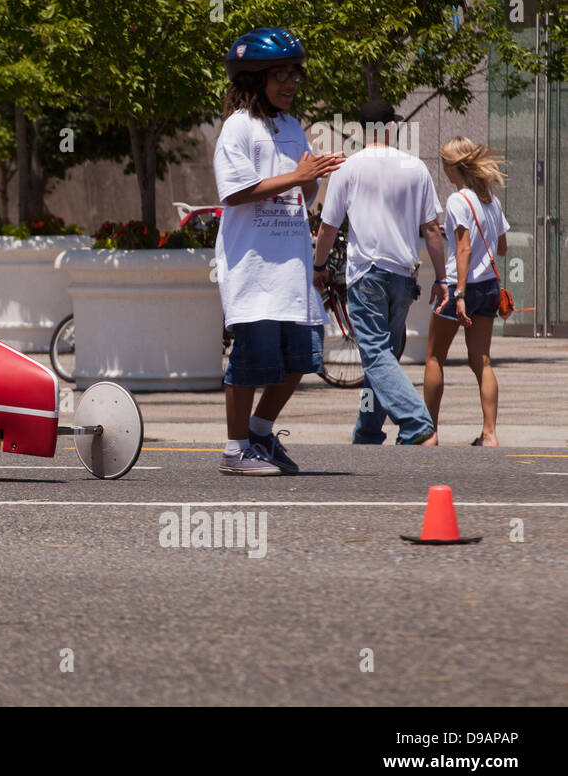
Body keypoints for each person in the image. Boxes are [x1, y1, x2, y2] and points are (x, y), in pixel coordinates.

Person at [214, 27, 344, 475]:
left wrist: (314, 176)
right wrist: (296, 176)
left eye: (295, 74)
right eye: (280, 74)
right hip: (253, 267)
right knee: (251, 363)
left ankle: (260, 434)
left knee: (300, 360)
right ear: (253, 78)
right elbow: (235, 192)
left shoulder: (291, 127)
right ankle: (235, 452)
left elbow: (301, 195)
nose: (290, 83)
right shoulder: (238, 127)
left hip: (291, 266)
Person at [312, 100, 449, 445]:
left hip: (367, 273)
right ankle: (368, 431)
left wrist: (319, 266)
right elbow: (432, 229)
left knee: (375, 353)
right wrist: (442, 278)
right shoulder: (415, 168)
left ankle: (417, 422)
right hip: (403, 275)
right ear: (389, 127)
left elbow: (329, 227)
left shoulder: (347, 168)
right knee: (383, 353)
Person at [422, 137, 509, 447]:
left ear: (451, 167)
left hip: (463, 288)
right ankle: (490, 433)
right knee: (482, 360)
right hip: (488, 287)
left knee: (434, 357)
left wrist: (458, 294)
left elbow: (464, 248)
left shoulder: (459, 200)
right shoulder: (491, 200)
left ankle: (429, 433)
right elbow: (501, 247)